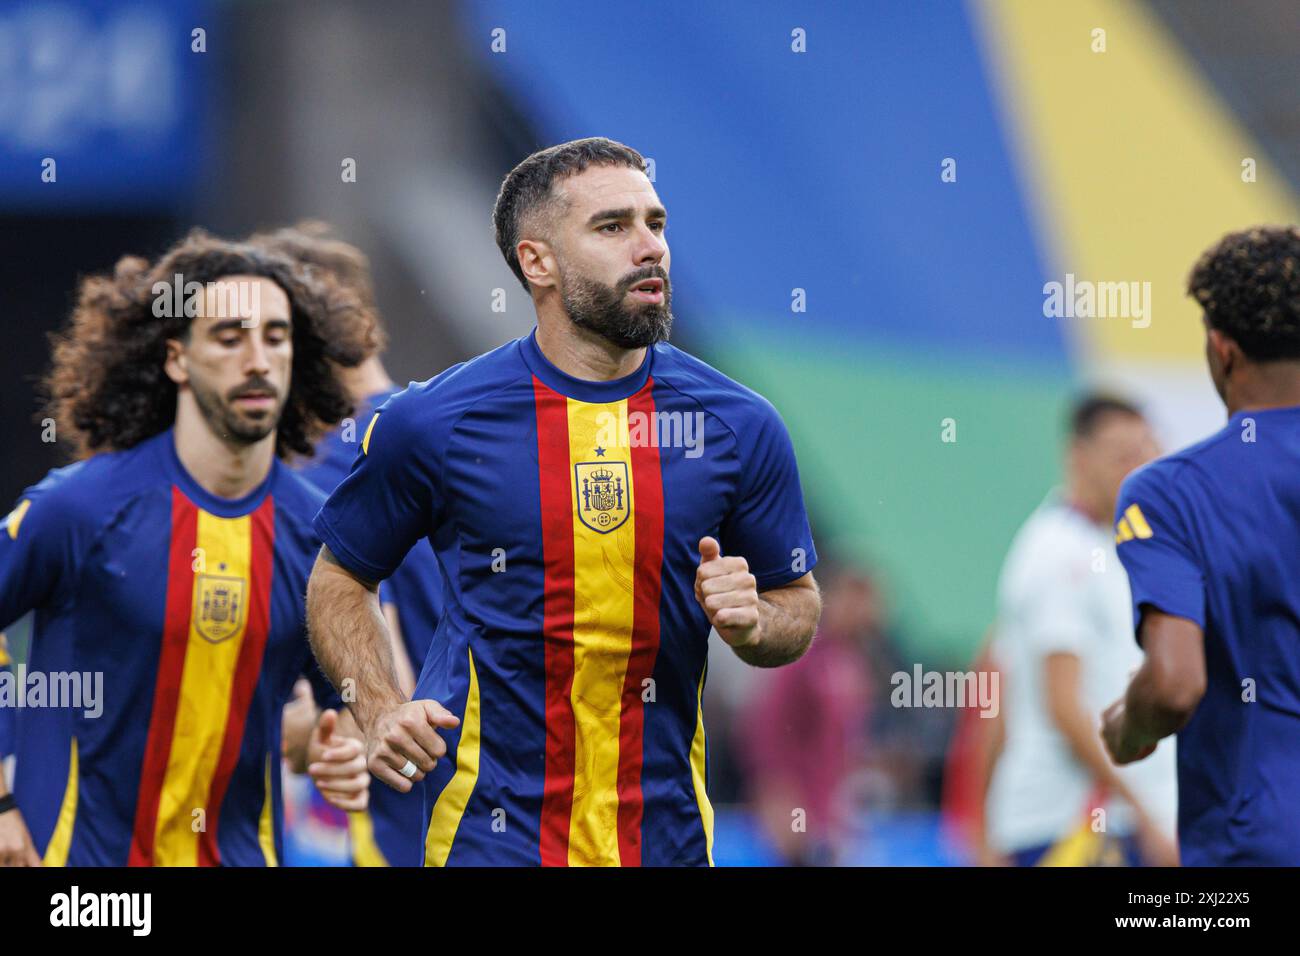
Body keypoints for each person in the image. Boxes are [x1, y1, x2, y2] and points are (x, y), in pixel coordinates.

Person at [306, 137, 822, 866]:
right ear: (536, 262)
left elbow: (796, 605)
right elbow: (339, 577)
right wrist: (377, 706)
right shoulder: (435, 423)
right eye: (613, 227)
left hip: (665, 841)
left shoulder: (737, 425)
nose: (649, 248)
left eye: (656, 223)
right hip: (491, 841)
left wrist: (754, 621)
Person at [0, 230, 371, 866]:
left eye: (275, 338)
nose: (257, 359)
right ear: (177, 358)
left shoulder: (323, 536)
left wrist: (337, 752)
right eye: (229, 338)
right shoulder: (78, 510)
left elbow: (340, 709)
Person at [1103, 225, 1300, 865]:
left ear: (1222, 350)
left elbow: (1173, 684)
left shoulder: (1170, 493)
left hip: (1254, 850)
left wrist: (1126, 727)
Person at [254, 221, 442, 866]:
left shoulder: (313, 483)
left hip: (401, 826)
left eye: (267, 334)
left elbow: (357, 708)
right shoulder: (454, 438)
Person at [986, 395, 1178, 866]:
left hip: (1100, 821)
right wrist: (1145, 815)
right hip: (1075, 826)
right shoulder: (1060, 555)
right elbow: (1064, 705)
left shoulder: (1102, 545)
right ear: (1078, 457)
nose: (1138, 468)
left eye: (1146, 451)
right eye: (1122, 455)